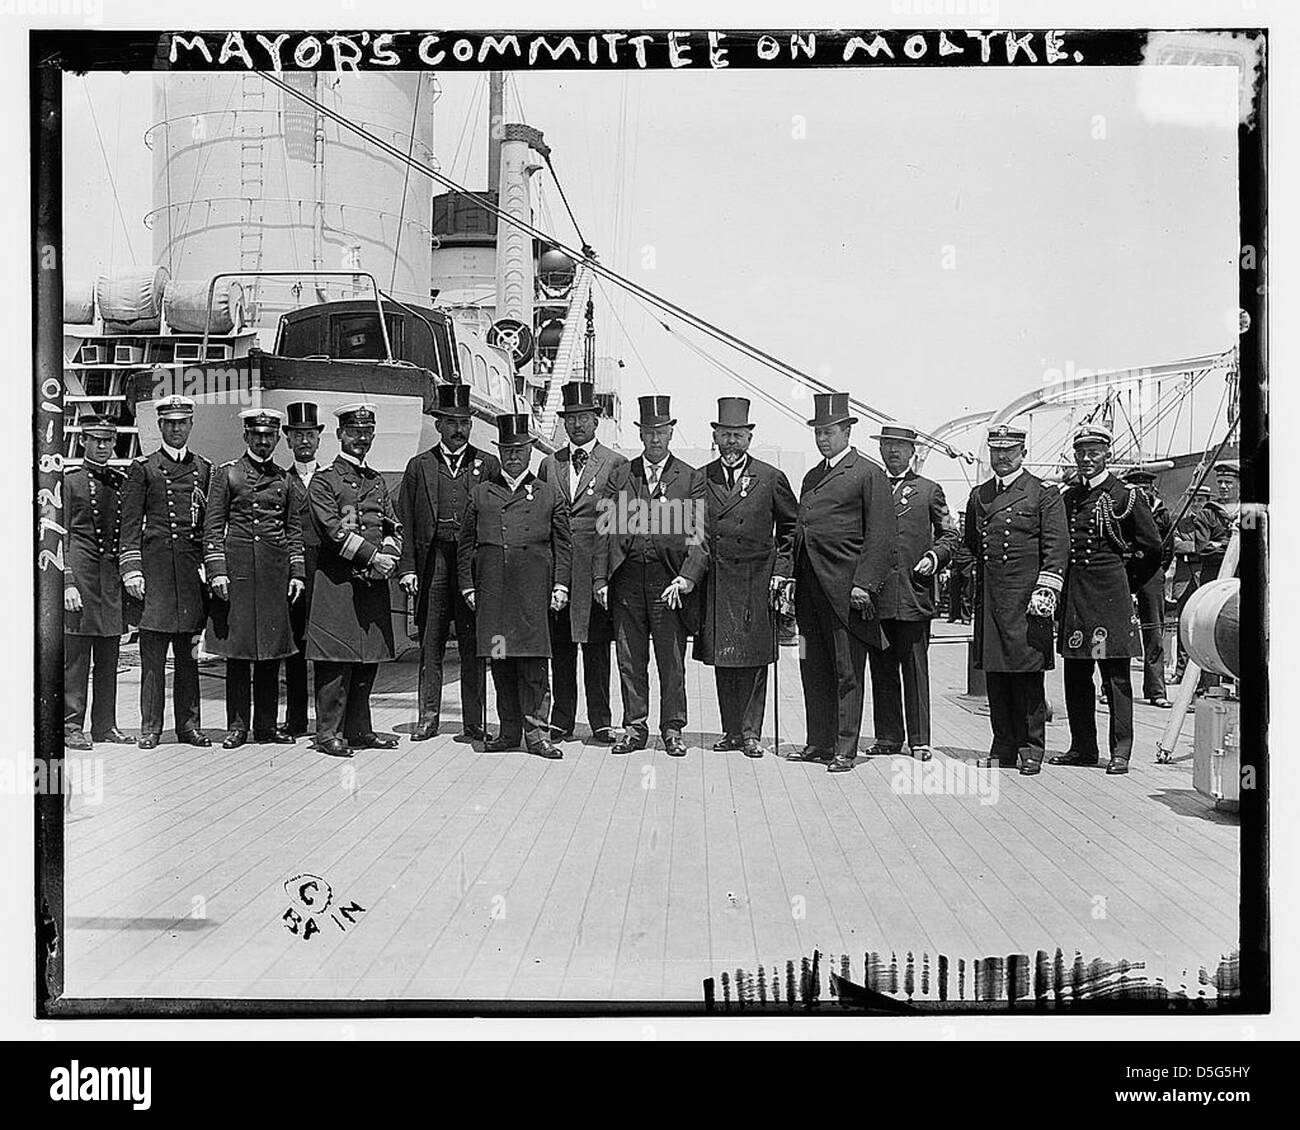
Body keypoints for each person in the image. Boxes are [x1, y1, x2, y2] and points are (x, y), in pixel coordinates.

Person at [593, 395, 709, 756]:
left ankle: (672, 728)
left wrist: (687, 578)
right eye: (649, 431)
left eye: (661, 431)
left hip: (668, 582)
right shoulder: (622, 475)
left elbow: (700, 538)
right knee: (630, 658)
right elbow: (605, 529)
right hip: (627, 580)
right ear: (640, 434)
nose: (655, 438)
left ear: (671, 432)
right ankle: (635, 726)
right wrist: (601, 579)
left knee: (671, 659)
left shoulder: (690, 478)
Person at [786, 392, 895, 773]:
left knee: (847, 670)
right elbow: (800, 531)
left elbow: (881, 536)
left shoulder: (868, 474)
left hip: (847, 591)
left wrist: (864, 584)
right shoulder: (812, 476)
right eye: (818, 432)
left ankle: (846, 747)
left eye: (830, 431)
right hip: (811, 589)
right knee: (813, 668)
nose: (823, 438)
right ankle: (819, 741)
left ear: (847, 431)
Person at [1049, 425, 1162, 776]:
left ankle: (1121, 751)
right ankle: (1082, 747)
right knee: (1077, 675)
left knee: (1115, 678)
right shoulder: (1068, 498)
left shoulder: (1124, 496)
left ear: (1107, 455)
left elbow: (1152, 547)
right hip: (1077, 599)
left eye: (1094, 452)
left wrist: (1126, 583)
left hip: (1111, 598)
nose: (1086, 459)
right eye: (1081, 453)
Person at [459, 414, 572, 759]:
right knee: (501, 664)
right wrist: (467, 586)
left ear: (530, 452)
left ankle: (537, 735)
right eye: (507, 450)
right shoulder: (481, 493)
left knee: (534, 666)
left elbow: (563, 545)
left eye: (519, 450)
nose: (513, 457)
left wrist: (561, 586)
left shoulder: (548, 494)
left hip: (532, 596)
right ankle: (508, 732)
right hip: (493, 596)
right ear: (500, 452)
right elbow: (464, 545)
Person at [694, 397, 797, 758]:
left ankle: (751, 733)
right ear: (716, 437)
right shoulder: (701, 478)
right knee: (724, 657)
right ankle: (730, 731)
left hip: (757, 579)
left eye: (738, 435)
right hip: (719, 580)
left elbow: (790, 530)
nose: (731, 442)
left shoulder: (770, 478)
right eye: (725, 435)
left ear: (749, 438)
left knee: (753, 660)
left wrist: (782, 574)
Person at [396, 384, 499, 743]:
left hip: (470, 566)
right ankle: (428, 717)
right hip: (434, 562)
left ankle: (473, 720)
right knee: (431, 642)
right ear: (438, 425)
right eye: (451, 422)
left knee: (473, 645)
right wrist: (407, 568)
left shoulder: (487, 464)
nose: (459, 429)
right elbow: (405, 520)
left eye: (465, 422)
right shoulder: (419, 466)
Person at [964, 424, 1068, 775]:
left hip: (1028, 599)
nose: (1003, 457)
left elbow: (1057, 549)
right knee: (996, 676)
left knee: (1027, 676)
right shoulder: (980, 496)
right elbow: (971, 546)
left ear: (1023, 453)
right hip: (993, 599)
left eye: (1009, 451)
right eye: (996, 451)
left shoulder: (1043, 493)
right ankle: (1003, 745)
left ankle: (1031, 747)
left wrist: (1046, 592)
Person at [203, 408, 306, 748]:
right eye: (257, 435)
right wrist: (217, 571)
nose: (263, 441)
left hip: (274, 575)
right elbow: (213, 528)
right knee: (239, 653)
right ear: (246, 436)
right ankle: (236, 727)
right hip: (239, 573)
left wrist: (297, 573)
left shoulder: (285, 479)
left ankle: (265, 726)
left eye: (269, 436)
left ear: (278, 439)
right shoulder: (227, 474)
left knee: (271, 653)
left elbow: (293, 530)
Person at [305, 404, 403, 757]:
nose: (361, 438)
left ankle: (360, 729)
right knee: (335, 663)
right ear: (340, 435)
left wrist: (389, 555)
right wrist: (373, 557)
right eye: (354, 432)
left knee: (367, 659)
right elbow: (333, 531)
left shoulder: (376, 481)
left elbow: (393, 525)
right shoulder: (325, 480)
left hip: (372, 585)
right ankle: (328, 732)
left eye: (367, 432)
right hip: (338, 585)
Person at [118, 394, 213, 750]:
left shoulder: (204, 469)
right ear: (160, 427)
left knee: (188, 661)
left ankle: (189, 727)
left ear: (191, 425)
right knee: (153, 660)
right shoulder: (143, 468)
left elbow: (208, 526)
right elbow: (129, 527)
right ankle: (151, 728)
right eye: (169, 423)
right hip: (155, 577)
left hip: (189, 579)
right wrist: (132, 570)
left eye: (182, 423)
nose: (176, 429)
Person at [536, 381, 625, 744]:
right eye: (570, 419)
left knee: (596, 648)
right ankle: (561, 720)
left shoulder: (615, 464)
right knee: (560, 649)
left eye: (584, 417)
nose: (577, 425)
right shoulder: (549, 464)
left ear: (596, 419)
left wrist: (606, 575)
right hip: (557, 569)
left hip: (595, 569)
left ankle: (601, 720)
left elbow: (617, 524)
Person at [868, 424, 961, 761]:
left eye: (900, 446)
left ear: (913, 452)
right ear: (880, 450)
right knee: (882, 670)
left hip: (912, 594)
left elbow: (950, 536)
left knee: (915, 669)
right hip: (877, 597)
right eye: (888, 445)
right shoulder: (871, 486)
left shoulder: (929, 490)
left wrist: (935, 557)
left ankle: (920, 739)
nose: (893, 452)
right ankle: (889, 737)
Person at [64, 415, 133, 751]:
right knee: (76, 659)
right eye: (96, 440)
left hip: (110, 581)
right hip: (82, 577)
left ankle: (105, 725)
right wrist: (67, 583)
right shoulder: (69, 482)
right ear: (83, 441)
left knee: (109, 657)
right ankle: (71, 725)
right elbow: (56, 536)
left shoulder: (120, 482)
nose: (104, 446)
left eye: (108, 441)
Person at [281, 401, 324, 736]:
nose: (305, 441)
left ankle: (327, 718)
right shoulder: (281, 482)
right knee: (294, 647)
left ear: (319, 438)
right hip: (293, 576)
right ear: (288, 440)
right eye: (298, 435)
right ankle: (296, 718)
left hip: (326, 575)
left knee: (326, 648)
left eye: (310, 434)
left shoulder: (331, 480)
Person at [1123, 467, 1174, 707]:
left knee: (1154, 632)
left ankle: (1156, 691)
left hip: (1151, 574)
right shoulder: (1121, 508)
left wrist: (1159, 570)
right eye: (1137, 488)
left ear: (1152, 489)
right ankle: (1110, 687)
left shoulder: (1161, 514)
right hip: (1124, 571)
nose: (1142, 492)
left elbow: (1168, 548)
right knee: (1118, 631)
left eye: (1146, 488)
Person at [1170, 483, 1210, 682]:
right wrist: (1198, 548)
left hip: (1204, 578)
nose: (1196, 504)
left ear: (1207, 502)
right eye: (1193, 500)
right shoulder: (1181, 523)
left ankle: (1204, 676)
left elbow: (1213, 548)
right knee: (1182, 626)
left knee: (1204, 626)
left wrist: (1192, 548)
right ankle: (1180, 672)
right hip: (1185, 580)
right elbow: (1175, 545)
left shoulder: (1213, 523)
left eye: (1200, 501)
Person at [1193, 460, 1240, 582]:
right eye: (1220, 482)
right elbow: (1202, 549)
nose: (1222, 486)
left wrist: (1218, 544)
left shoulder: (1247, 513)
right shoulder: (1207, 513)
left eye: (1228, 482)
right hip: (1213, 578)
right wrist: (1231, 545)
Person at [947, 518, 973, 624]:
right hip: (956, 564)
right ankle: (954, 615)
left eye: (964, 521)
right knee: (954, 592)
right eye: (961, 521)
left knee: (967, 592)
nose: (962, 523)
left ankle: (966, 617)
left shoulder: (970, 533)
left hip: (968, 563)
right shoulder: (956, 533)